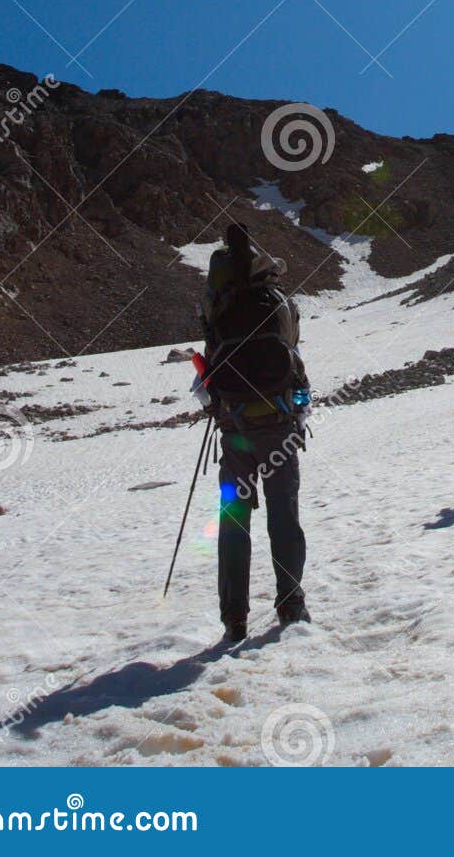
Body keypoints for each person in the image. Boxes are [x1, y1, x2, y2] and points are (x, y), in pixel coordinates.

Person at [201, 222, 311, 641]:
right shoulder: (279, 303)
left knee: (233, 520)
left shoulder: (218, 304)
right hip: (279, 427)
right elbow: (294, 351)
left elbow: (211, 360)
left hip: (234, 432)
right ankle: (291, 604)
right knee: (284, 516)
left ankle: (234, 617)